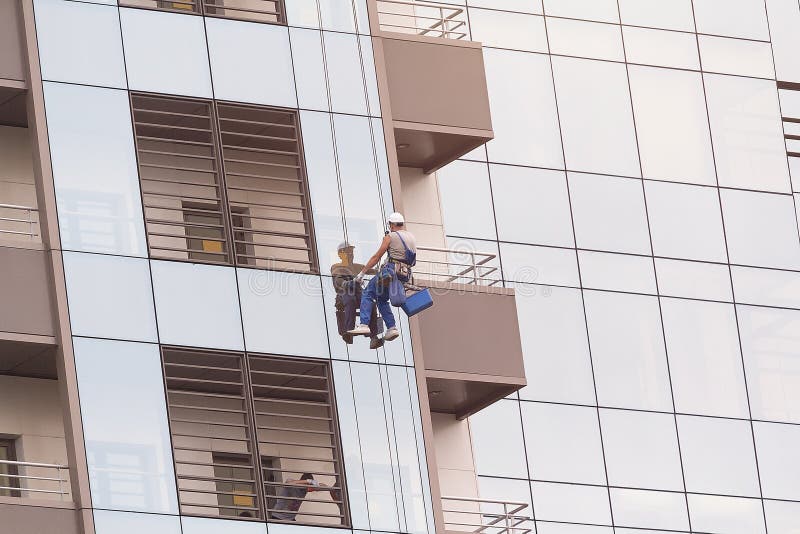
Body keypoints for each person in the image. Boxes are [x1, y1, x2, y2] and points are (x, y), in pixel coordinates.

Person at [347, 212, 416, 342]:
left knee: (368, 292)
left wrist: (362, 273)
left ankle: (364, 325)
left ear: (392, 224)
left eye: (390, 224)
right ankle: (391, 327)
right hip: (404, 273)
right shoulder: (411, 237)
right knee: (381, 299)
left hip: (390, 272)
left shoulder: (390, 237)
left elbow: (376, 256)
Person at [330, 242, 384, 349]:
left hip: (358, 293)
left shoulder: (356, 267)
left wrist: (382, 269)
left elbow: (371, 270)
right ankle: (349, 331)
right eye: (348, 252)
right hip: (344, 294)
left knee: (371, 304)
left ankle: (373, 337)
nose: (351, 254)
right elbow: (339, 283)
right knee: (350, 300)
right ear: (340, 254)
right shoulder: (336, 267)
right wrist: (352, 282)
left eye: (352, 252)